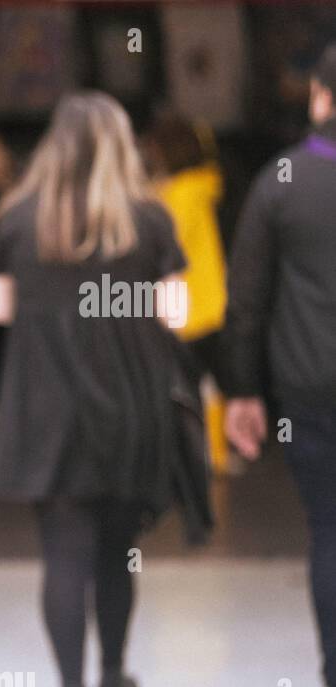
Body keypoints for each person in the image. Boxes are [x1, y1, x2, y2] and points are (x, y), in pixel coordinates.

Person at [0, 91, 188, 687]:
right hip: (129, 411)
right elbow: (177, 313)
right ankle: (110, 684)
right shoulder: (149, 220)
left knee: (63, 558)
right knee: (118, 555)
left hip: (48, 412)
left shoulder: (19, 220)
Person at [222, 44, 336, 687]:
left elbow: (247, 300)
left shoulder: (282, 179)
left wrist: (242, 392)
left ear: (321, 97)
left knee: (329, 530)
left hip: (309, 387)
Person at [147, 112, 232, 476]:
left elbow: (163, 247)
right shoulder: (205, 188)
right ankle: (214, 452)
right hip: (212, 303)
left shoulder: (175, 195)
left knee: (176, 385)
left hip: (183, 306)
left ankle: (183, 455)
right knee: (210, 383)